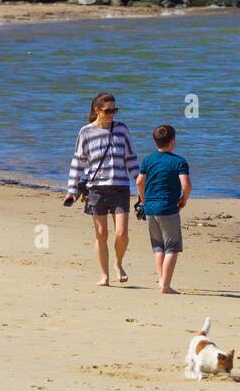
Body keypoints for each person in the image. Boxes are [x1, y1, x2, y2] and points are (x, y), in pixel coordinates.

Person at [64, 93, 139, 287]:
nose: (112, 114)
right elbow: (78, 162)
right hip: (96, 188)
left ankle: (118, 263)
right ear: (97, 110)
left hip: (121, 186)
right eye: (108, 111)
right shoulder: (86, 132)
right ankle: (104, 276)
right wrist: (71, 190)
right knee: (102, 233)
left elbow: (130, 158)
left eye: (114, 110)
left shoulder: (122, 129)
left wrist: (139, 182)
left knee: (121, 233)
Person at [135, 125, 192, 294]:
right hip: (168, 207)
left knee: (158, 246)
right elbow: (186, 185)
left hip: (150, 207)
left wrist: (143, 199)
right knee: (172, 247)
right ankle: (165, 286)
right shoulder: (179, 161)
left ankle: (162, 281)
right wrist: (184, 199)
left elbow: (139, 182)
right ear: (173, 142)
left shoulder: (148, 160)